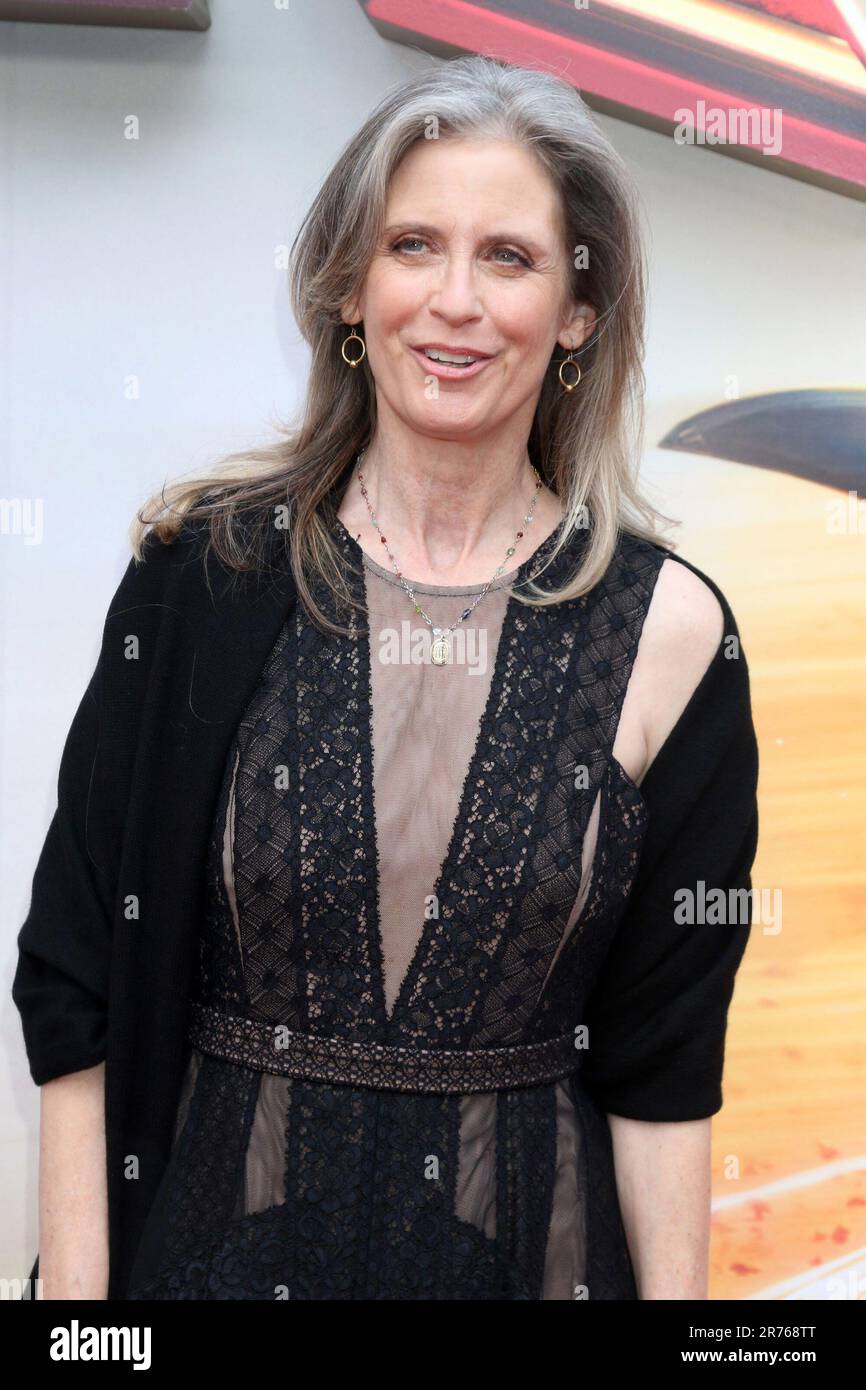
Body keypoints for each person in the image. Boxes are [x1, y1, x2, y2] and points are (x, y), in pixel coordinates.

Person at [12, 55, 759, 1301]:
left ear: (578, 311)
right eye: (412, 245)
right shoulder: (197, 579)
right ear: (351, 290)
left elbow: (662, 1070)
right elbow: (76, 980)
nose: (452, 301)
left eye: (508, 258)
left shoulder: (672, 636)